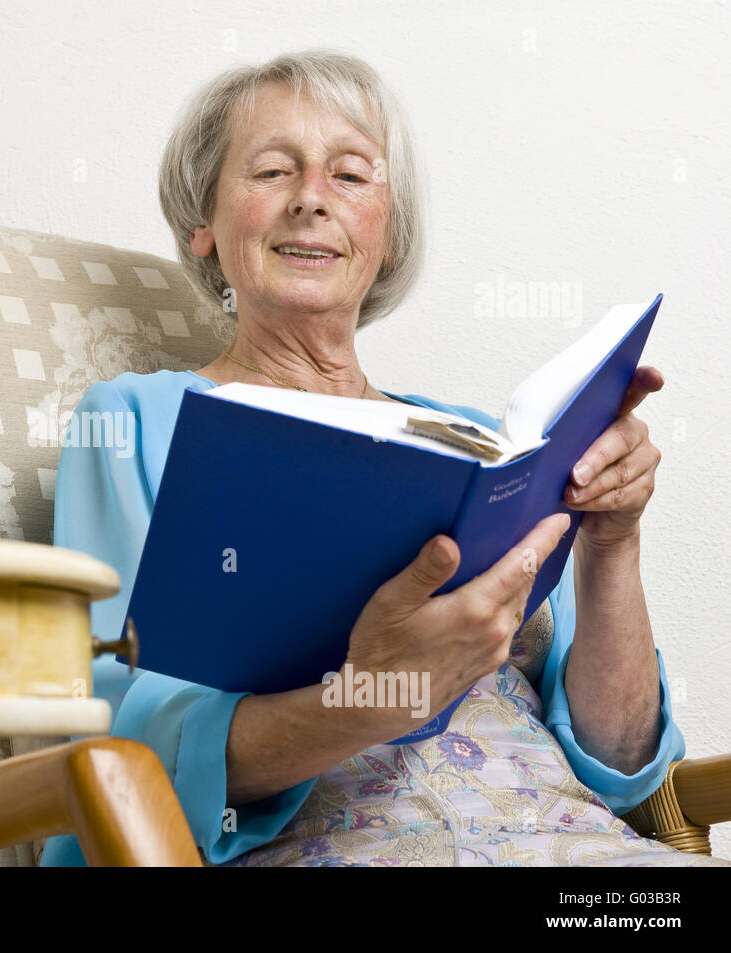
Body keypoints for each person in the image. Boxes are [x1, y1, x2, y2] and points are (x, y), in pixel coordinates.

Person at [40, 50, 728, 867]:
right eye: (272, 170)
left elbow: (622, 765)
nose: (311, 199)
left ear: (390, 237)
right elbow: (114, 756)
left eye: (351, 176)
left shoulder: (483, 448)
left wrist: (613, 543)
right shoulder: (139, 422)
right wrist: (372, 699)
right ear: (204, 224)